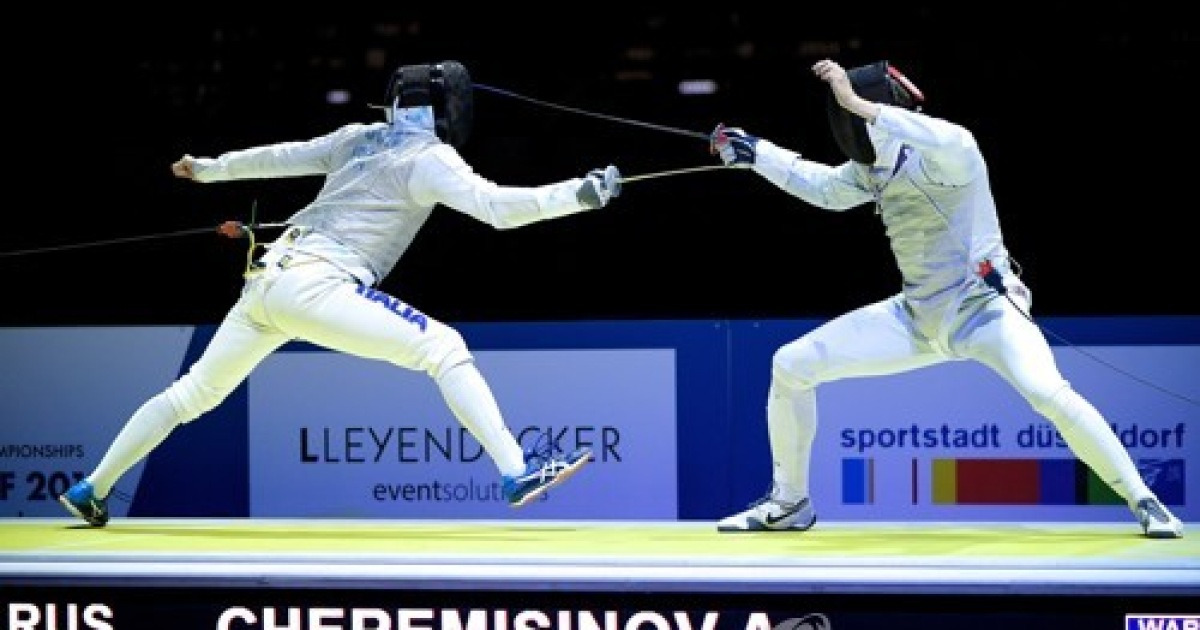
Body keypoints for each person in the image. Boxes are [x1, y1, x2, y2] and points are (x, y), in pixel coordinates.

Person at [58, 60, 620, 527]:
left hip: (266, 283)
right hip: (317, 283)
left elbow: (280, 157)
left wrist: (209, 170)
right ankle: (516, 471)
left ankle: (91, 488)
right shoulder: (429, 159)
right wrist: (582, 194)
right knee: (443, 347)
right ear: (444, 108)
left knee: (191, 395)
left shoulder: (356, 138)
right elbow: (497, 209)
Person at [707, 58, 1183, 538]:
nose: (845, 116)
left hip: (986, 310)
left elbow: (951, 138)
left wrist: (856, 103)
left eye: (850, 107)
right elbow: (826, 189)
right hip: (916, 316)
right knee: (791, 365)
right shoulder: (871, 168)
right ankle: (790, 503)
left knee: (1047, 393)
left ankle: (1144, 500)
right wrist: (757, 153)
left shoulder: (952, 152)